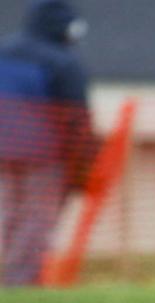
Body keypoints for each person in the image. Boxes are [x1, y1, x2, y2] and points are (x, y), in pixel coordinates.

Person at [0, 0, 91, 287]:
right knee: (35, 220)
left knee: (7, 214)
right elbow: (77, 121)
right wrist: (84, 167)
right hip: (43, 157)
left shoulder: (3, 50)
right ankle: (20, 283)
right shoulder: (63, 63)